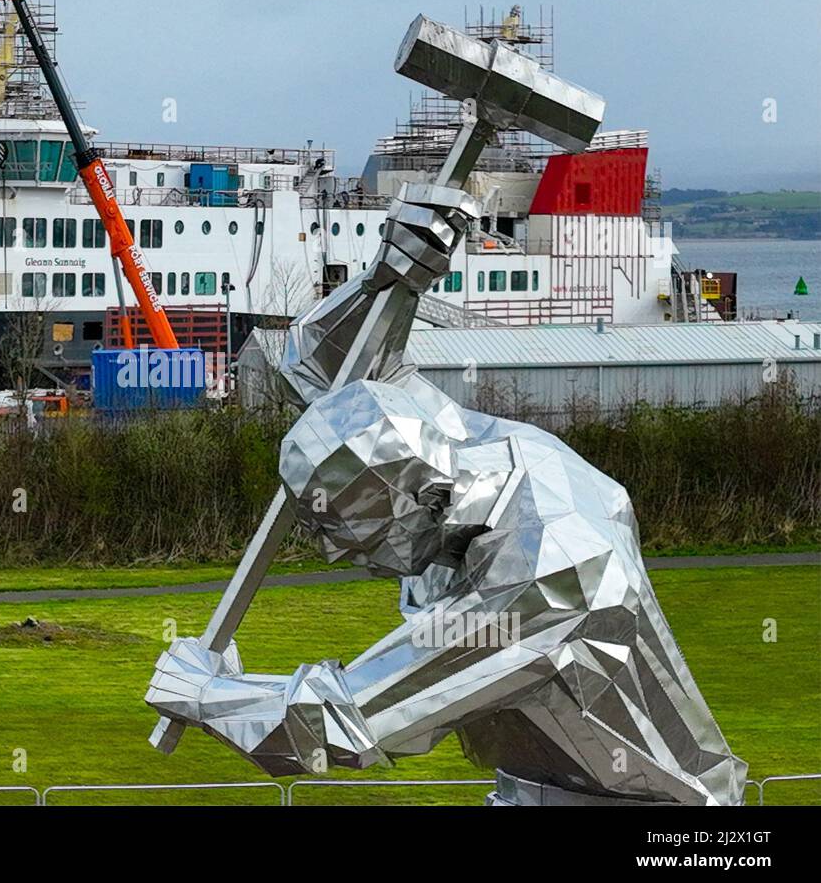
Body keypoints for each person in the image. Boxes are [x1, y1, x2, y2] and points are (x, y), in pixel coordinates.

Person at [145, 182, 747, 806]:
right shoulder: (458, 450)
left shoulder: (554, 567)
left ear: (425, 502)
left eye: (359, 538)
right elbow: (327, 370)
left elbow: (342, 724)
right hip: (535, 790)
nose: (336, 558)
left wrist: (206, 693)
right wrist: (388, 275)